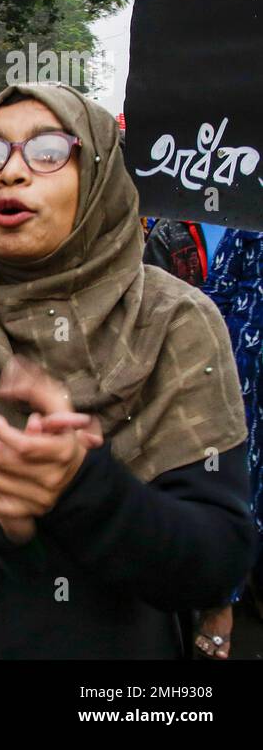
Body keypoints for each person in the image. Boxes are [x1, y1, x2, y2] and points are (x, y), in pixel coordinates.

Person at [0, 84, 254, 659]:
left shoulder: (173, 320)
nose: (10, 173)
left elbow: (214, 555)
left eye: (47, 151)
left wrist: (85, 486)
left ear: (99, 174)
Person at [199, 229, 263, 659]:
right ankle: (221, 608)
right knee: (238, 495)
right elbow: (214, 302)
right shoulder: (249, 220)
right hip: (244, 390)